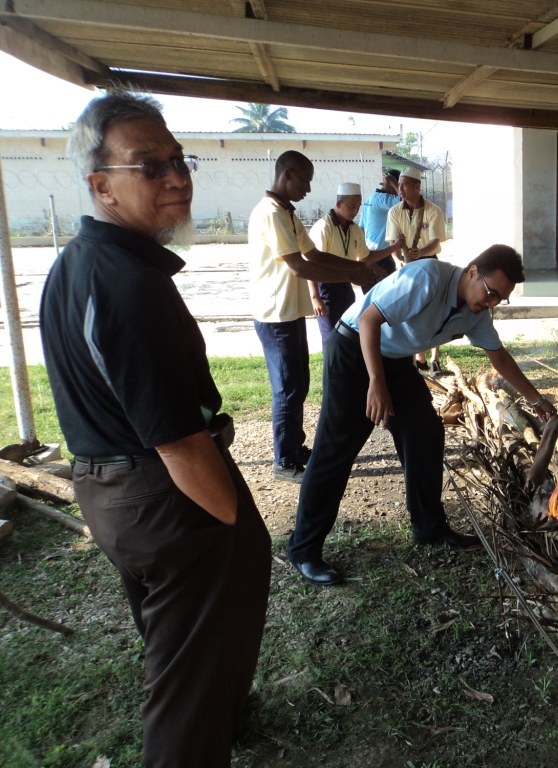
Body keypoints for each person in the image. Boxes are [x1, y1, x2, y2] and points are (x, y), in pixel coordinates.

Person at [39, 90, 271, 767]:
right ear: (101, 185)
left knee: (182, 645)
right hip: (166, 499)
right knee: (187, 684)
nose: (175, 178)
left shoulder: (83, 262)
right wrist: (235, 525)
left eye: (178, 160)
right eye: (149, 166)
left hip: (109, 491)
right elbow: (176, 440)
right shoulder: (126, 284)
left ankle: (226, 719)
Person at [288, 245, 558, 585]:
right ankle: (304, 550)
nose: (491, 303)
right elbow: (369, 318)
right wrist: (376, 384)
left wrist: (536, 401)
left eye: (499, 300)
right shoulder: (428, 278)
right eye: (491, 293)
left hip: (394, 360)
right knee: (335, 450)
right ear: (473, 271)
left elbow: (499, 358)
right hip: (355, 349)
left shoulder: (475, 311)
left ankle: (429, 527)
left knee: (425, 432)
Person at [248, 151, 383, 482]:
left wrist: (357, 267)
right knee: (288, 387)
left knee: (299, 382)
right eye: (305, 180)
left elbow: (315, 254)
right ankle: (284, 460)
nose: (308, 189)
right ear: (288, 174)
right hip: (274, 315)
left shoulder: (287, 214)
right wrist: (352, 275)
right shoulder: (271, 214)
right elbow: (300, 266)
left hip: (290, 313)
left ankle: (295, 447)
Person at [308, 182, 402, 343]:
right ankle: (330, 368)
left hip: (347, 286)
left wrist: (394, 247)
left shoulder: (355, 229)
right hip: (327, 291)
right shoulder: (324, 227)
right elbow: (312, 264)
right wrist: (315, 297)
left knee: (347, 336)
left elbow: (366, 256)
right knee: (330, 340)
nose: (356, 211)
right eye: (352, 206)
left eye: (358, 207)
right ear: (339, 204)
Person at [385, 166, 447, 374]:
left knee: (435, 310)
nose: (399, 188)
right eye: (399, 184)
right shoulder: (394, 212)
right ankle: (418, 355)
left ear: (417, 186)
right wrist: (397, 260)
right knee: (411, 311)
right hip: (407, 265)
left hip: (429, 262)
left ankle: (435, 358)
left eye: (404, 184)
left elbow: (436, 241)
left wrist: (420, 252)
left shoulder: (433, 210)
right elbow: (394, 243)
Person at [359, 168, 402, 275]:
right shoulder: (385, 199)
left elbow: (362, 228)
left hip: (370, 253)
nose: (401, 191)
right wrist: (394, 184)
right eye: (401, 186)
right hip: (382, 256)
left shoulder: (370, 199)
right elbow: (407, 202)